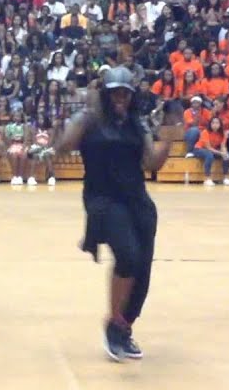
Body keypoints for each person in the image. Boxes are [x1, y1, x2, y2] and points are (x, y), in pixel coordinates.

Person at [54, 67, 170, 362]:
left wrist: (168, 138)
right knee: (128, 256)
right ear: (106, 94)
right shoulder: (89, 119)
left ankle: (123, 327)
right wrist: (72, 122)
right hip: (103, 199)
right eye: (115, 92)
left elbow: (151, 163)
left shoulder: (138, 124)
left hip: (137, 201)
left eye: (126, 93)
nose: (121, 98)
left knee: (142, 270)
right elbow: (64, 146)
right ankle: (112, 323)